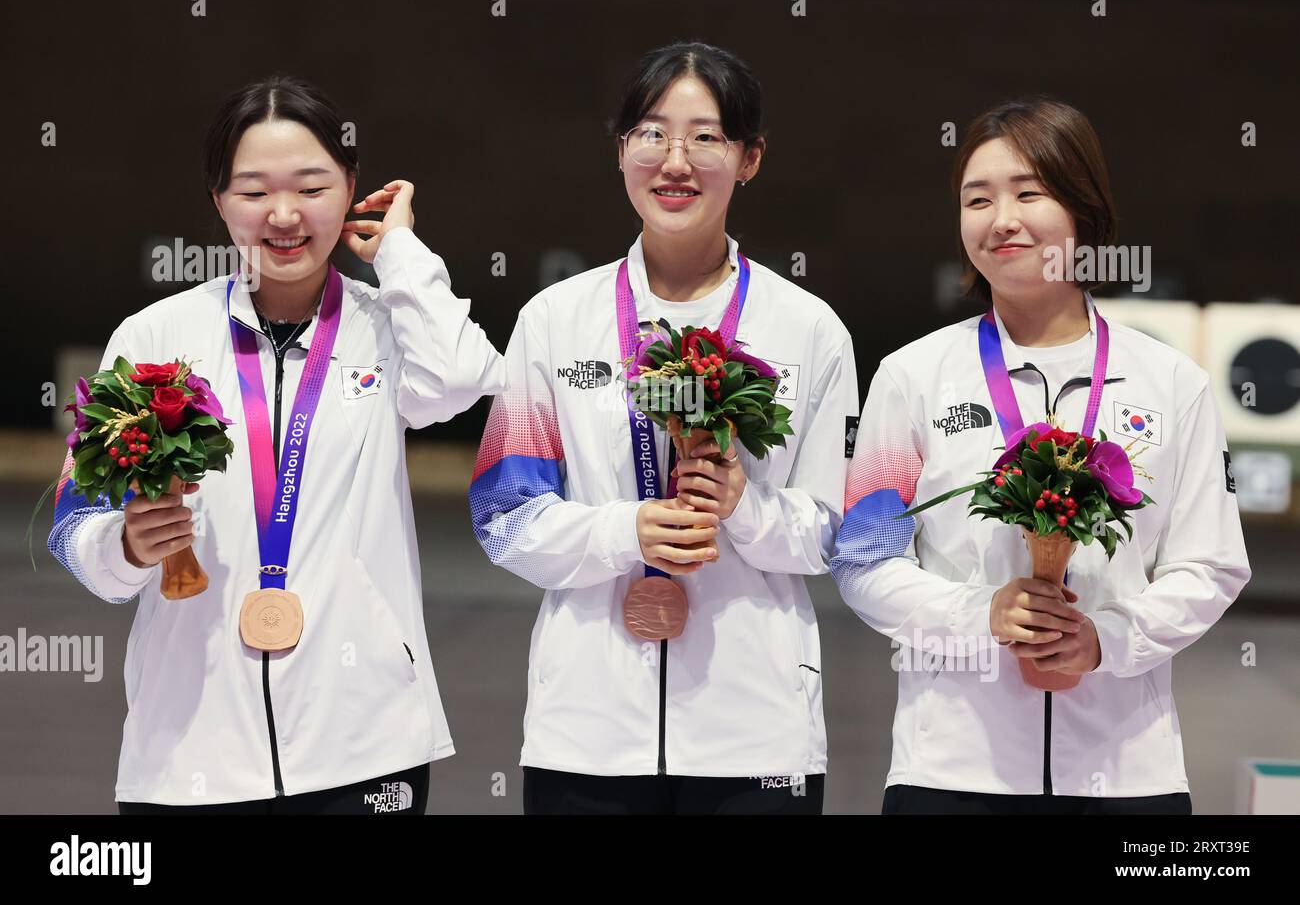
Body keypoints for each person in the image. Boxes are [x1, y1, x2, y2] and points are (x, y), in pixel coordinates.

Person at [48, 75, 506, 813]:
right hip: (188, 751)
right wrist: (126, 547)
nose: (285, 215)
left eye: (312, 186)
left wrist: (400, 254)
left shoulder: (387, 325)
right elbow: (76, 527)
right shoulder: (155, 336)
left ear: (352, 187)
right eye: (254, 191)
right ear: (218, 200)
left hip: (364, 743)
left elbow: (464, 377)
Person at [469, 42, 859, 814]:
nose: (675, 160)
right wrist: (628, 531)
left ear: (750, 159)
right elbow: (502, 518)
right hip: (586, 735)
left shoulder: (810, 330)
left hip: (755, 736)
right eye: (651, 133)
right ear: (621, 152)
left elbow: (835, 535)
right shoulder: (554, 320)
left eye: (707, 137)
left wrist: (743, 503)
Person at [831, 97, 1251, 814]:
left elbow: (1211, 563)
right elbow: (863, 560)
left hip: (1128, 774)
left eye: (1030, 192)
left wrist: (1107, 640)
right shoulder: (912, 376)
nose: (1002, 219)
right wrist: (978, 614)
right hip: (951, 773)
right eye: (977, 198)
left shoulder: (1171, 381)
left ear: (1083, 210)